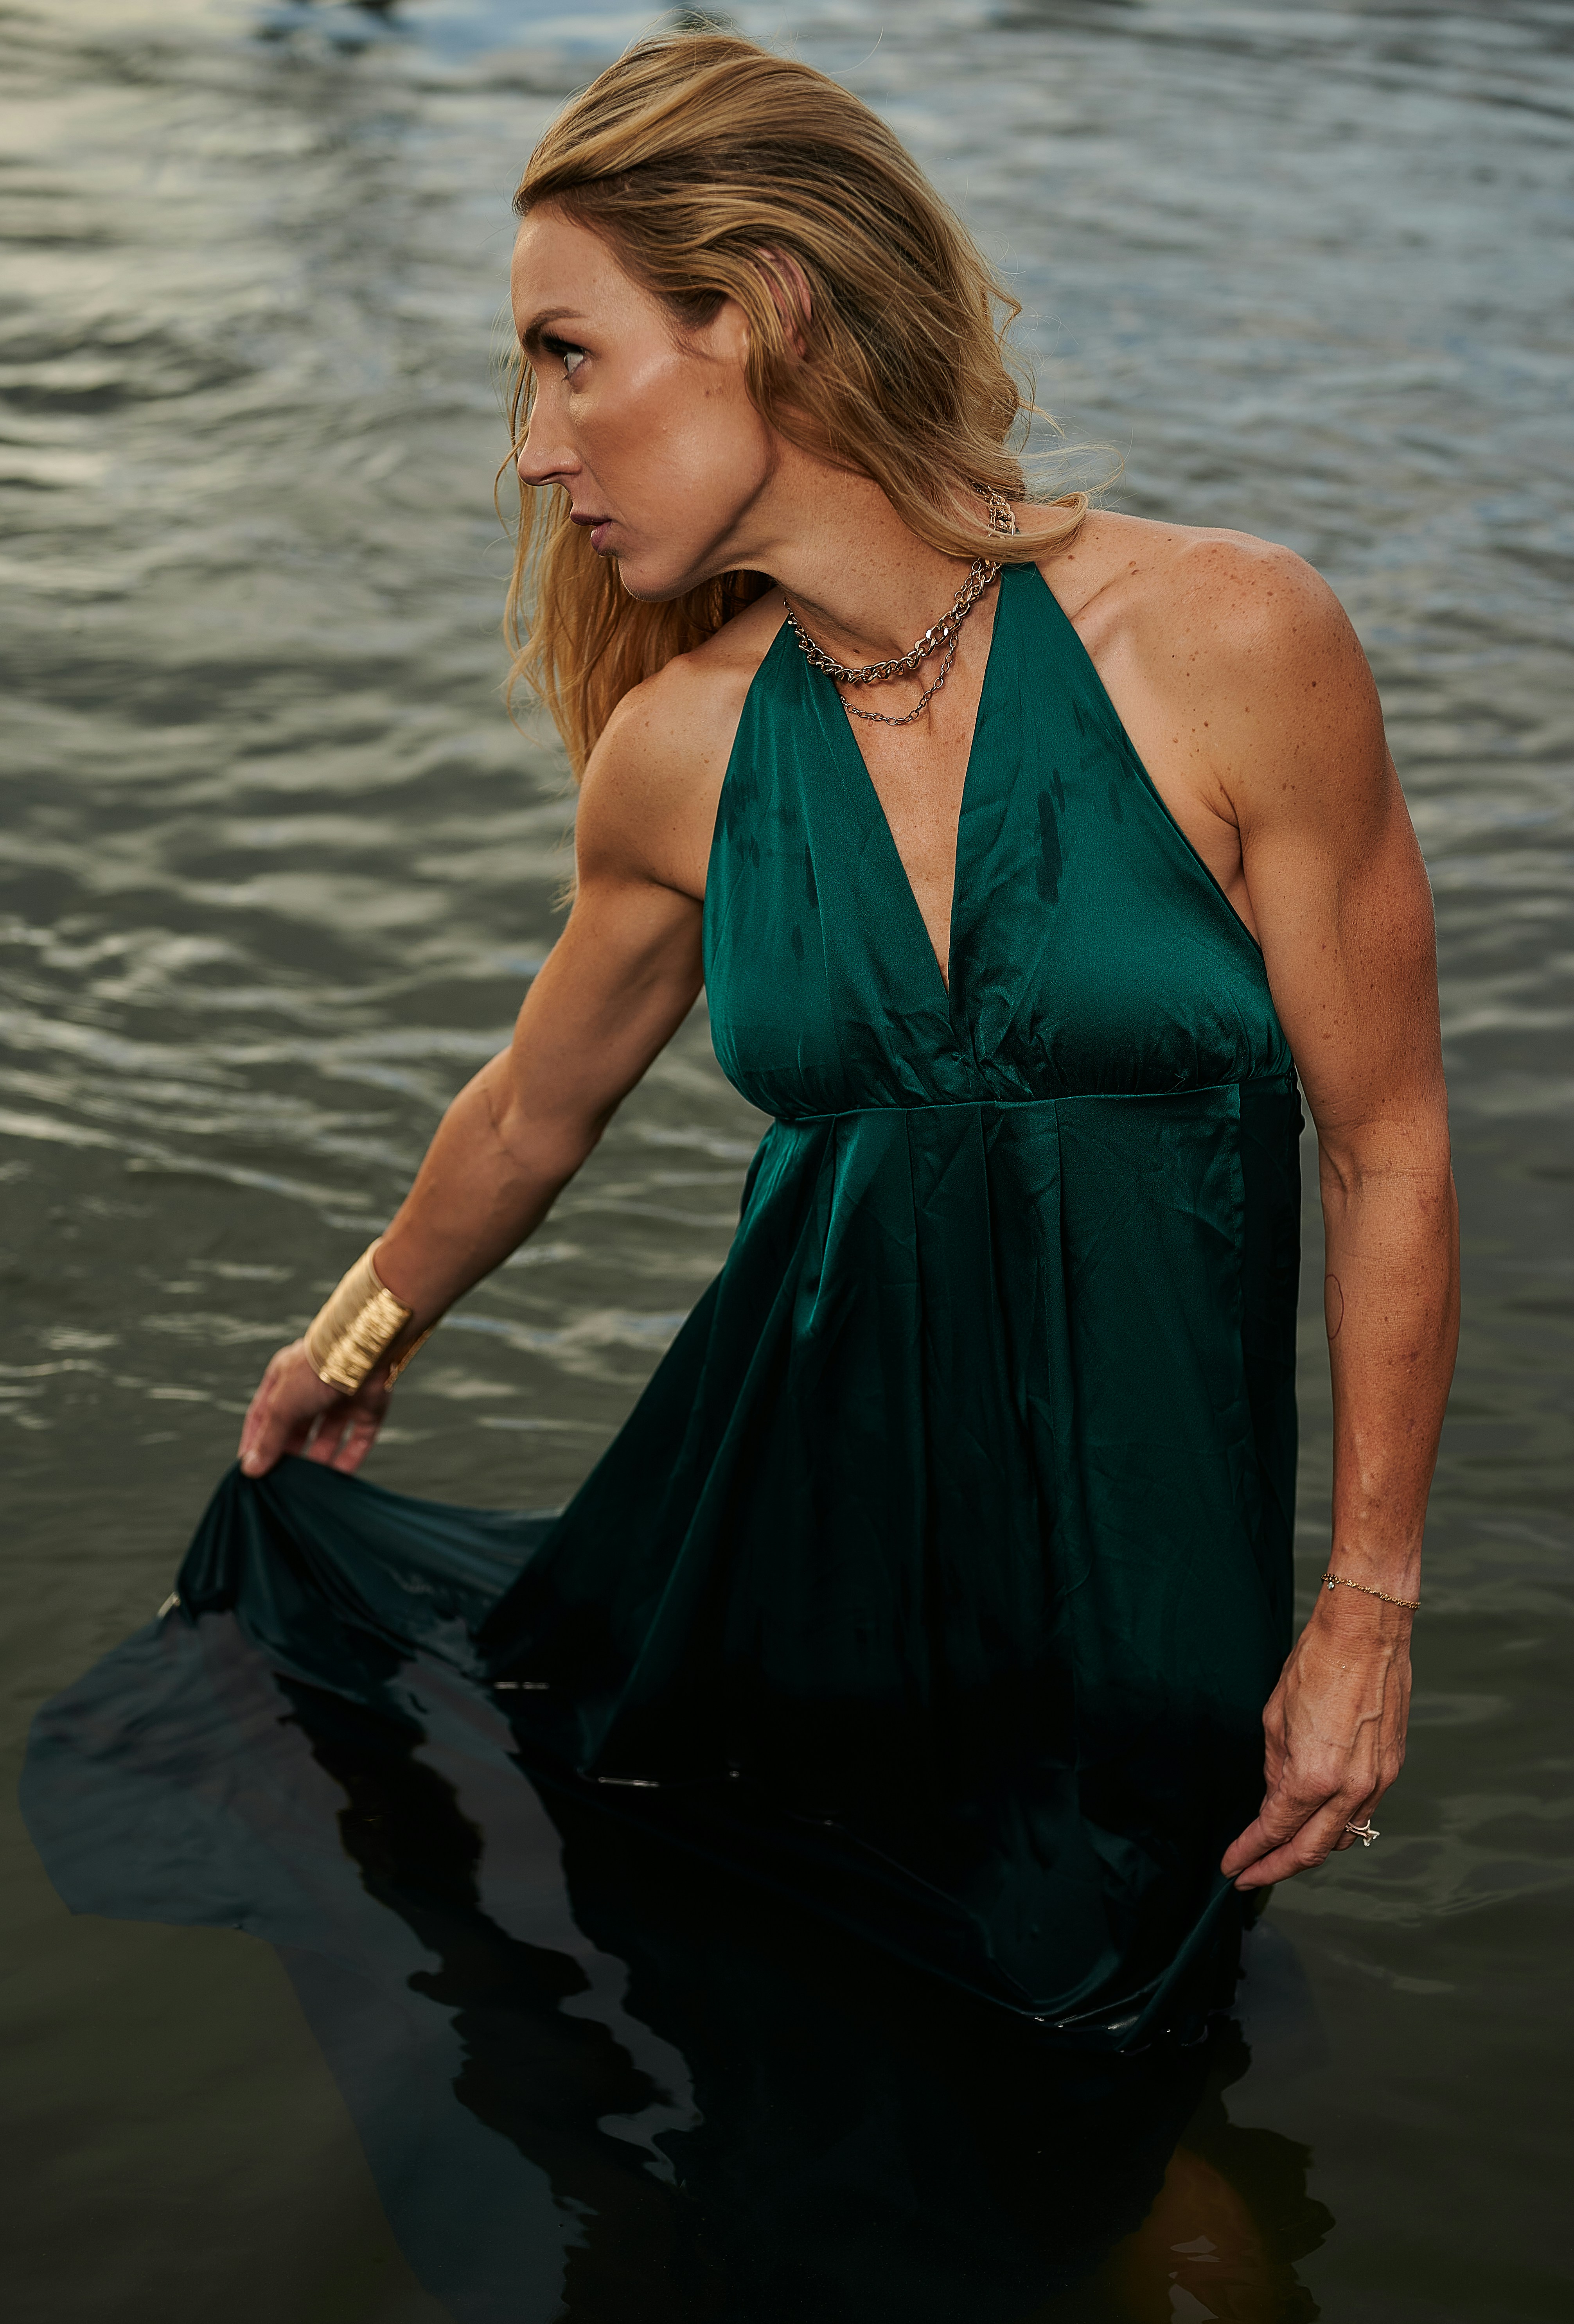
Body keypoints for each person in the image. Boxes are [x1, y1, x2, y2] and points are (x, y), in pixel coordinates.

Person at [230, 30, 1458, 2040]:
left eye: (569, 355)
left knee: (1140, 2045)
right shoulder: (678, 752)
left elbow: (1389, 1143)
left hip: (1160, 1572)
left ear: (763, 316)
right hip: (805, 1544)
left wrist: (1368, 1599)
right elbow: (536, 1108)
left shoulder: (1237, 644)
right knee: (807, 2065)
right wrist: (350, 1344)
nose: (536, 448)